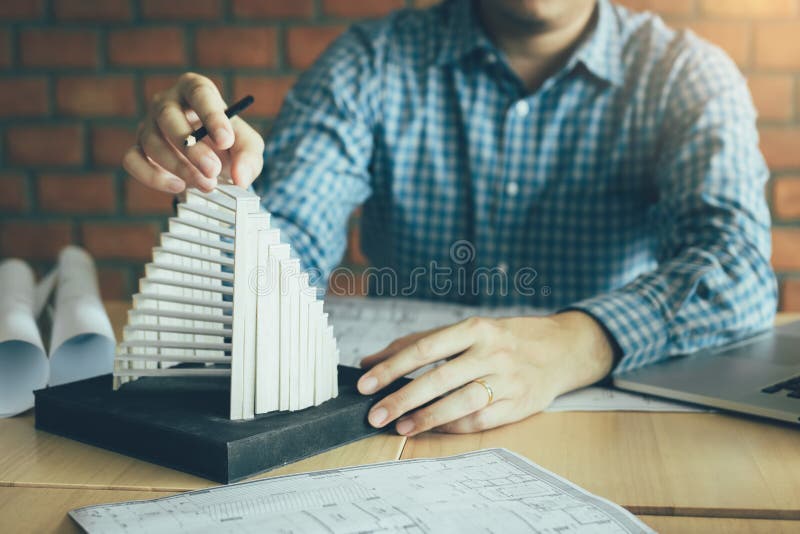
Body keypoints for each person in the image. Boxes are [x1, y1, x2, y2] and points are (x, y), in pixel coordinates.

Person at [124, 0, 776, 436]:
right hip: (389, 423)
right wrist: (221, 190)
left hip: (596, 417)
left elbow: (737, 268)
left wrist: (576, 342)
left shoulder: (684, 75)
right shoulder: (368, 64)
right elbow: (283, 250)